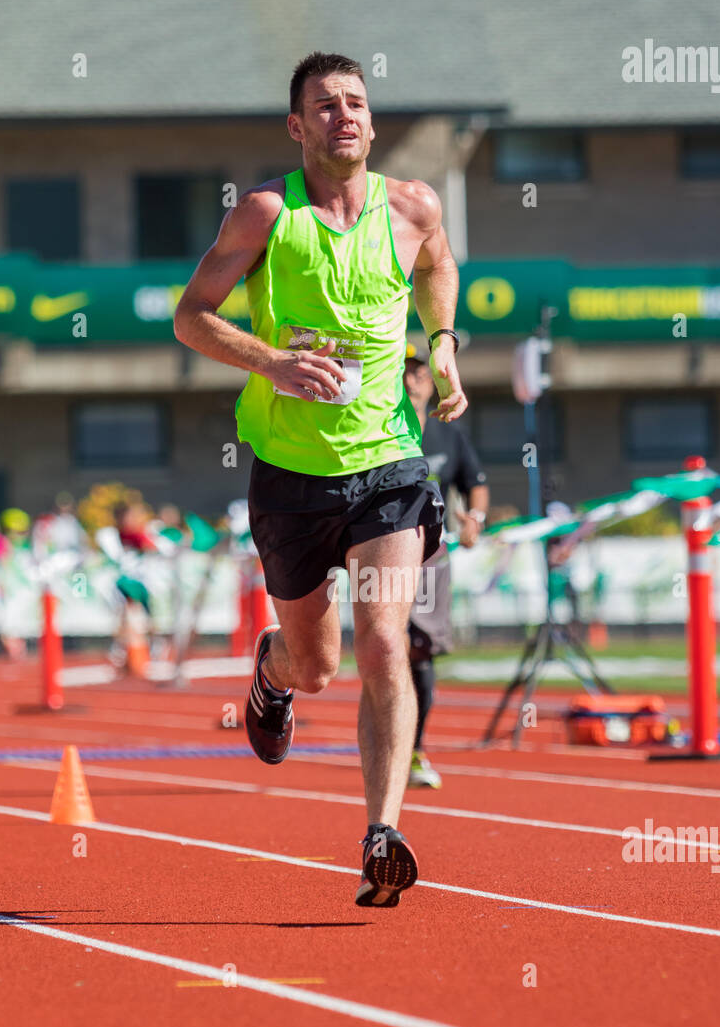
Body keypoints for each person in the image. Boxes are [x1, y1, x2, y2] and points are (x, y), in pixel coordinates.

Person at [175, 50, 468, 908]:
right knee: (320, 663)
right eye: (324, 105)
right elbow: (192, 317)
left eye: (356, 102)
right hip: (292, 477)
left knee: (386, 643)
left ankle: (382, 831)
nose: (344, 115)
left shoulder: (412, 205)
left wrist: (443, 344)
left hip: (388, 466)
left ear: (372, 123)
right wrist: (272, 362)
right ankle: (272, 672)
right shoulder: (267, 213)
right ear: (297, 126)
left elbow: (438, 269)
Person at [401, 347, 489, 788]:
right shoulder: (373, 427)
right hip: (379, 553)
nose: (411, 377)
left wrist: (474, 519)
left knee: (420, 650)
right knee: (383, 649)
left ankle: (414, 750)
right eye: (402, 369)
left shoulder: (446, 432)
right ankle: (386, 742)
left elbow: (476, 484)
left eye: (417, 370)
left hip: (432, 557)